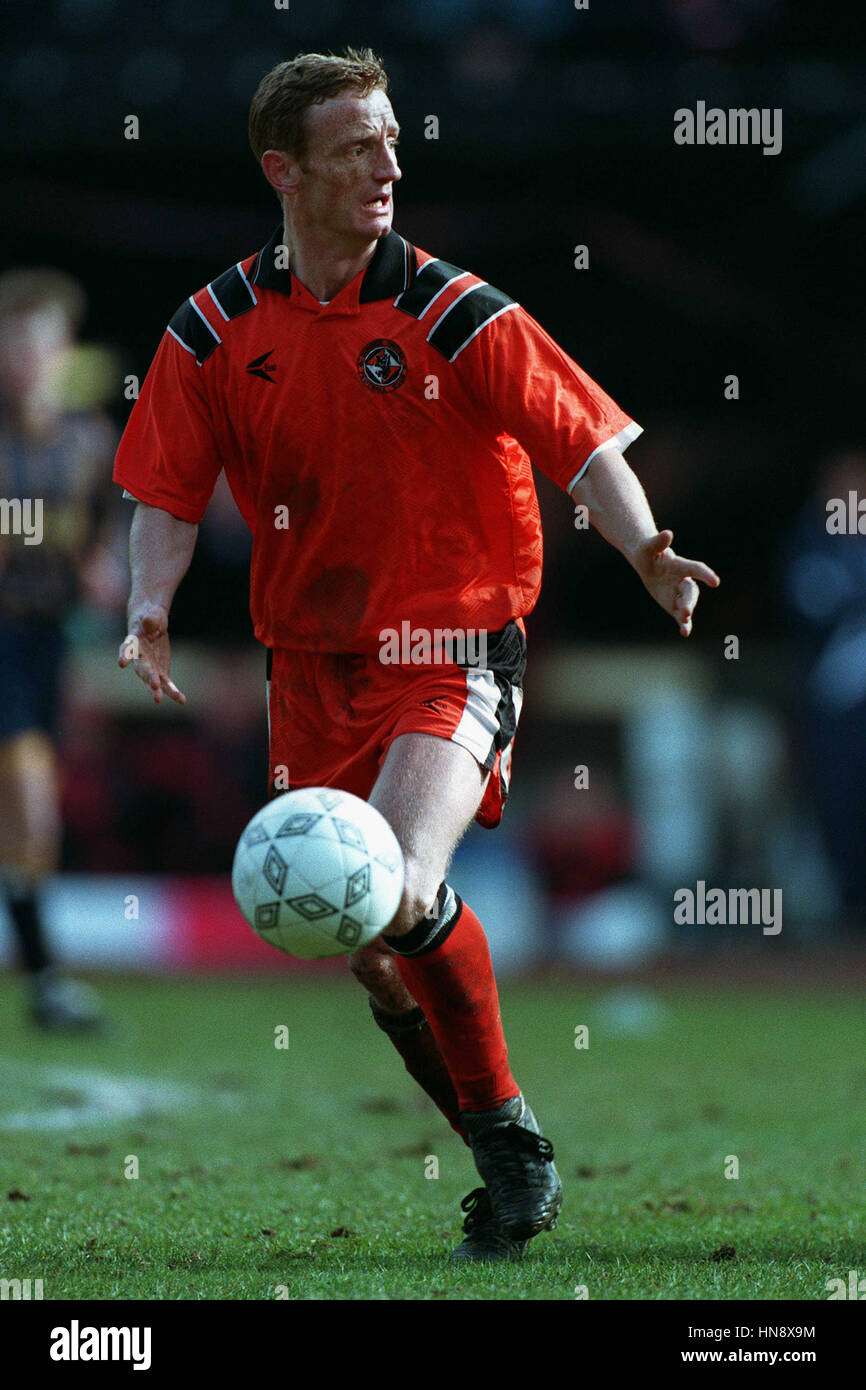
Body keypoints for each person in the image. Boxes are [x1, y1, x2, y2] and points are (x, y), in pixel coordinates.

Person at [114, 48, 719, 1260]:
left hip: (453, 640)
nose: (389, 165)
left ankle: (508, 1156)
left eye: (392, 140)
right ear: (284, 171)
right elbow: (166, 492)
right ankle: (505, 1141)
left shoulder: (453, 307)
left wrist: (646, 545)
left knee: (392, 878)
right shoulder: (213, 328)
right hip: (308, 666)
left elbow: (580, 442)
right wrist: (148, 607)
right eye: (356, 147)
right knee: (372, 954)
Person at [0, 268, 121, 1030]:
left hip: (44, 646)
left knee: (29, 823)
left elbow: (114, 532)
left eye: (39, 341)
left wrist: (109, 568)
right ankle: (46, 979)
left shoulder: (89, 441)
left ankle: (44, 981)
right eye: (13, 341)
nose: (25, 356)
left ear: (63, 350)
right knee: (30, 805)